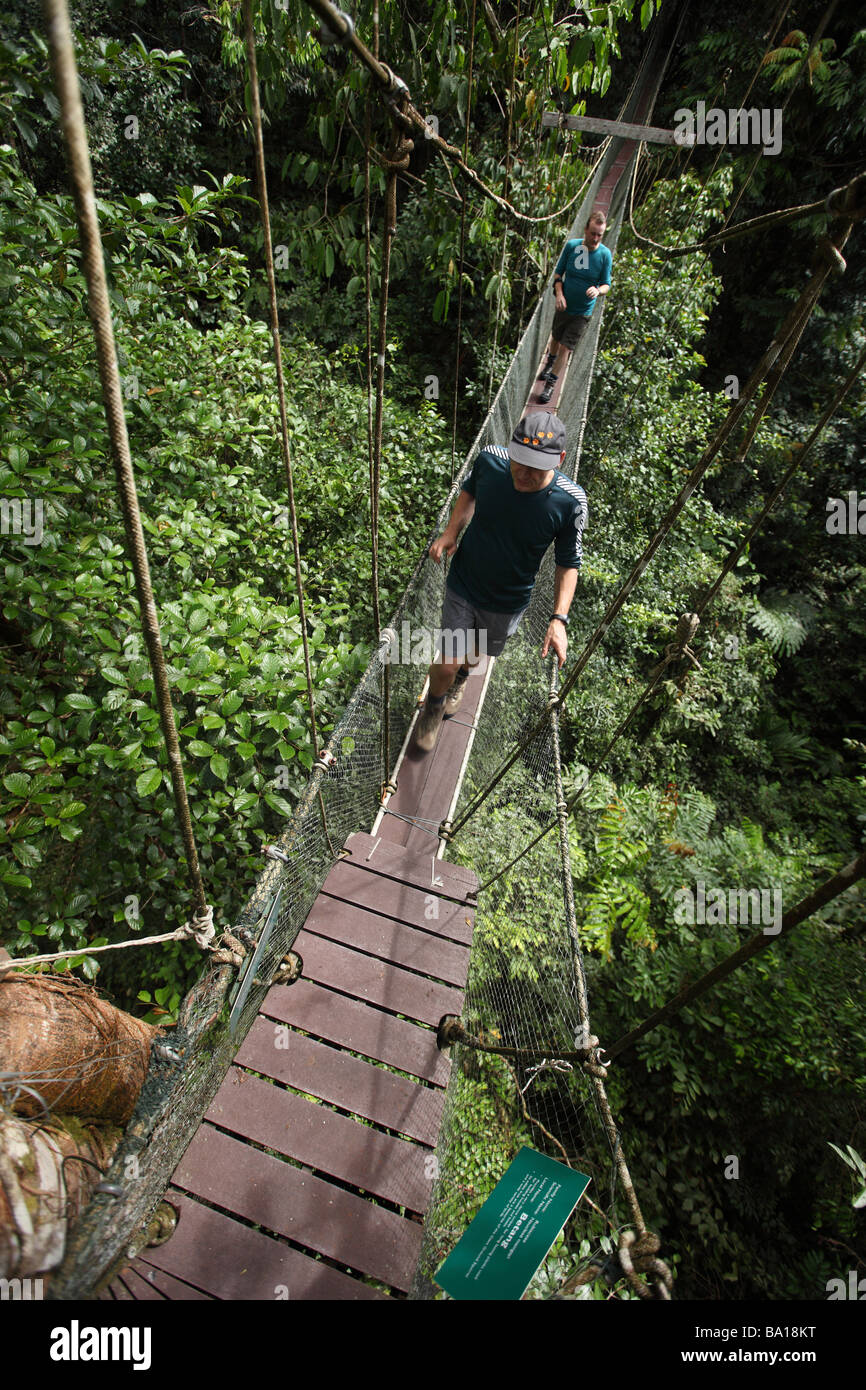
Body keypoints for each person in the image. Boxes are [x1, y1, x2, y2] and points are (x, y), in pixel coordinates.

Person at [414, 410, 587, 753]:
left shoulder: (570, 502)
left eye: (536, 466)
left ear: (560, 460)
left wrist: (559, 619)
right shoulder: (491, 461)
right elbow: (469, 492)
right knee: (447, 659)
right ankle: (434, 704)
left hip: (508, 600)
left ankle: (463, 678)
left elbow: (568, 563)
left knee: (475, 653)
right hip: (464, 580)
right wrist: (451, 532)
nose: (523, 473)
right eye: (520, 461)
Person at [537, 211, 612, 405]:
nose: (595, 239)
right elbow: (557, 275)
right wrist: (559, 294)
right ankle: (549, 363)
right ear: (585, 229)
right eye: (593, 233)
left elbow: (606, 284)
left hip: (583, 312)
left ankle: (550, 385)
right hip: (564, 305)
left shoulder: (604, 255)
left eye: (599, 235)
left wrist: (598, 290)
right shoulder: (572, 246)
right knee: (555, 337)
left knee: (566, 348)